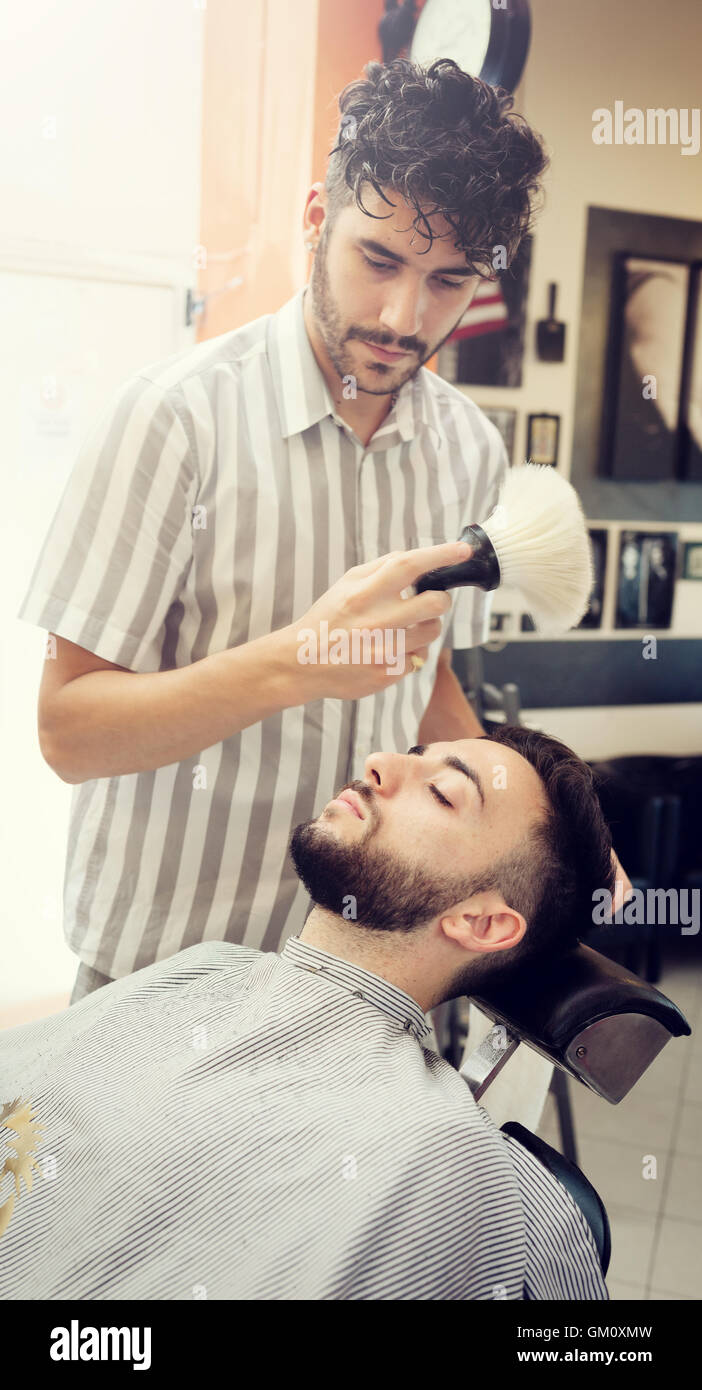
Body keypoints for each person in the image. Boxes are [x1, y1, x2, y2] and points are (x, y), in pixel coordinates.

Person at [0, 725, 613, 1301]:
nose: (379, 763)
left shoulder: (441, 1158)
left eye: (442, 792)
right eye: (414, 752)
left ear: (481, 922)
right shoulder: (209, 968)